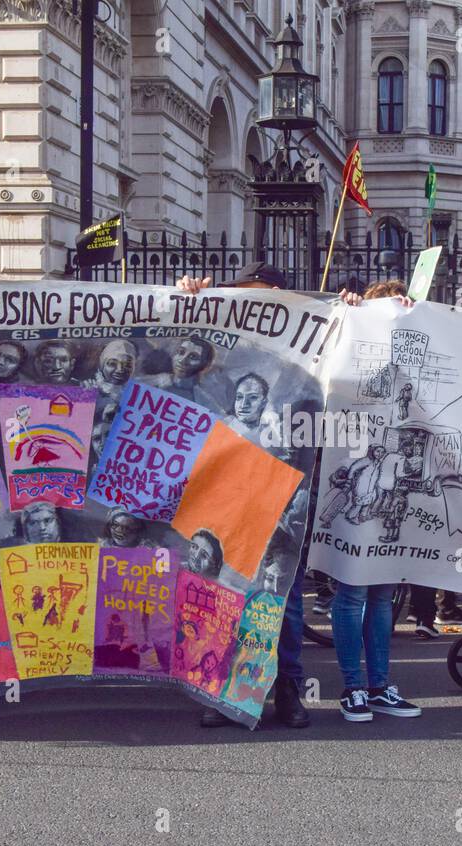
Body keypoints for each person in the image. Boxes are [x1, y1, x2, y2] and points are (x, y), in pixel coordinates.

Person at [176, 262, 310, 729]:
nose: (248, 401)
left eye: (262, 297)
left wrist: (359, 309)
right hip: (230, 524)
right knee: (225, 602)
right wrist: (188, 300)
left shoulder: (282, 413)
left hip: (276, 525)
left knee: (281, 606)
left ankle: (288, 693)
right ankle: (221, 691)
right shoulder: (225, 422)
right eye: (242, 396)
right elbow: (181, 347)